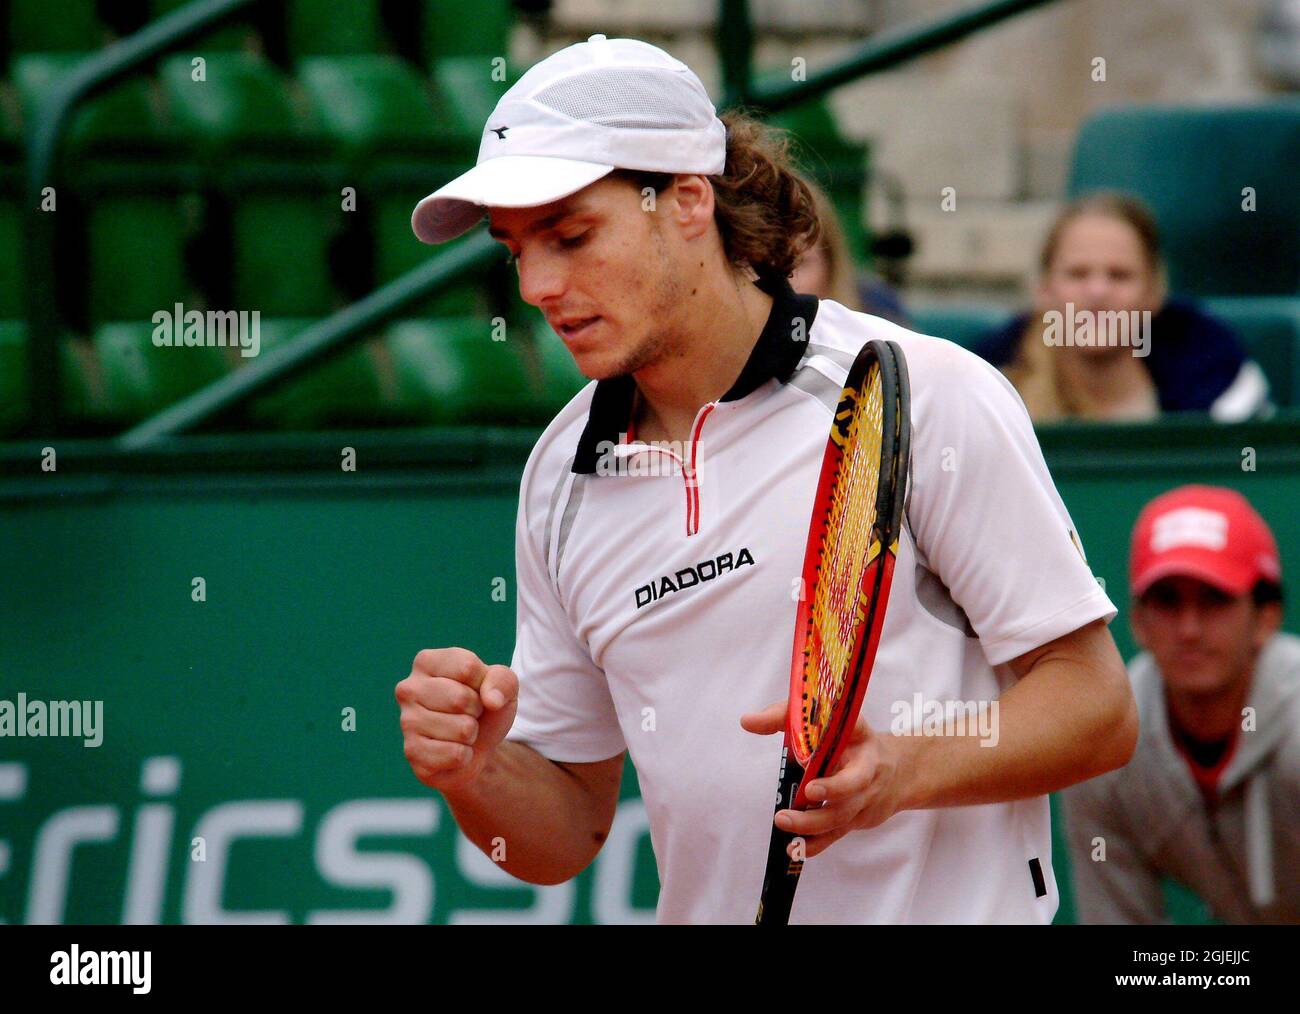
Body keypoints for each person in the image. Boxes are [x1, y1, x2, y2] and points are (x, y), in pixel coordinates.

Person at [396, 34, 1136, 924]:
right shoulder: (559, 476)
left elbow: (1095, 706)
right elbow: (567, 831)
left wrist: (904, 769)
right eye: (516, 249)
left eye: (572, 236)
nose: (539, 285)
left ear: (688, 201)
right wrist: (475, 771)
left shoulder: (926, 391)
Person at [1063, 486, 1299, 924]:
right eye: (1167, 601)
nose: (1189, 629)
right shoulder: (1106, 748)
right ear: (1138, 623)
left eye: (1215, 599)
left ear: (1265, 618)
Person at [975, 192, 1271, 423]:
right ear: (1044, 291)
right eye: (1077, 274)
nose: (1098, 291)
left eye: (1120, 275)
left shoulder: (1216, 380)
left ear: (1154, 294)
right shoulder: (989, 389)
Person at [788, 177, 911, 326]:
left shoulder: (876, 306)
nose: (785, 280)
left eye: (798, 263)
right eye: (765, 265)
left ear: (831, 264)